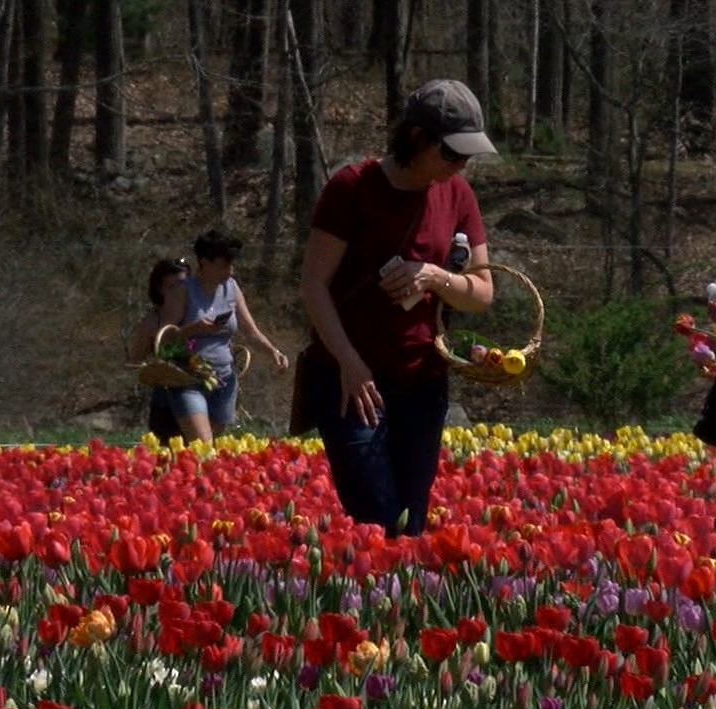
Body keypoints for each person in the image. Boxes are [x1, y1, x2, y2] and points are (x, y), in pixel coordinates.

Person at [298, 79, 498, 537]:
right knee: (376, 517)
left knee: (411, 521)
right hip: (350, 381)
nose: (461, 165)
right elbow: (313, 286)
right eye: (452, 153)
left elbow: (483, 291)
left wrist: (434, 276)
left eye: (468, 156)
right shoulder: (352, 187)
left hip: (421, 380)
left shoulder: (458, 195)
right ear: (415, 137)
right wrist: (350, 363)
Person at [155, 230, 289, 443]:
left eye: (231, 264)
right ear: (204, 262)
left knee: (208, 447)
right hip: (188, 378)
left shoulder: (231, 287)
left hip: (225, 379)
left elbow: (250, 331)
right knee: (203, 445)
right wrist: (193, 329)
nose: (230, 270)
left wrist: (272, 352)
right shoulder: (182, 291)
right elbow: (164, 339)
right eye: (224, 265)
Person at [129, 257, 190, 444]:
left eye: (181, 285)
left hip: (203, 391)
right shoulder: (152, 321)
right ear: (159, 289)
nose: (176, 292)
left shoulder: (197, 313)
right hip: (167, 397)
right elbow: (135, 358)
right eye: (170, 287)